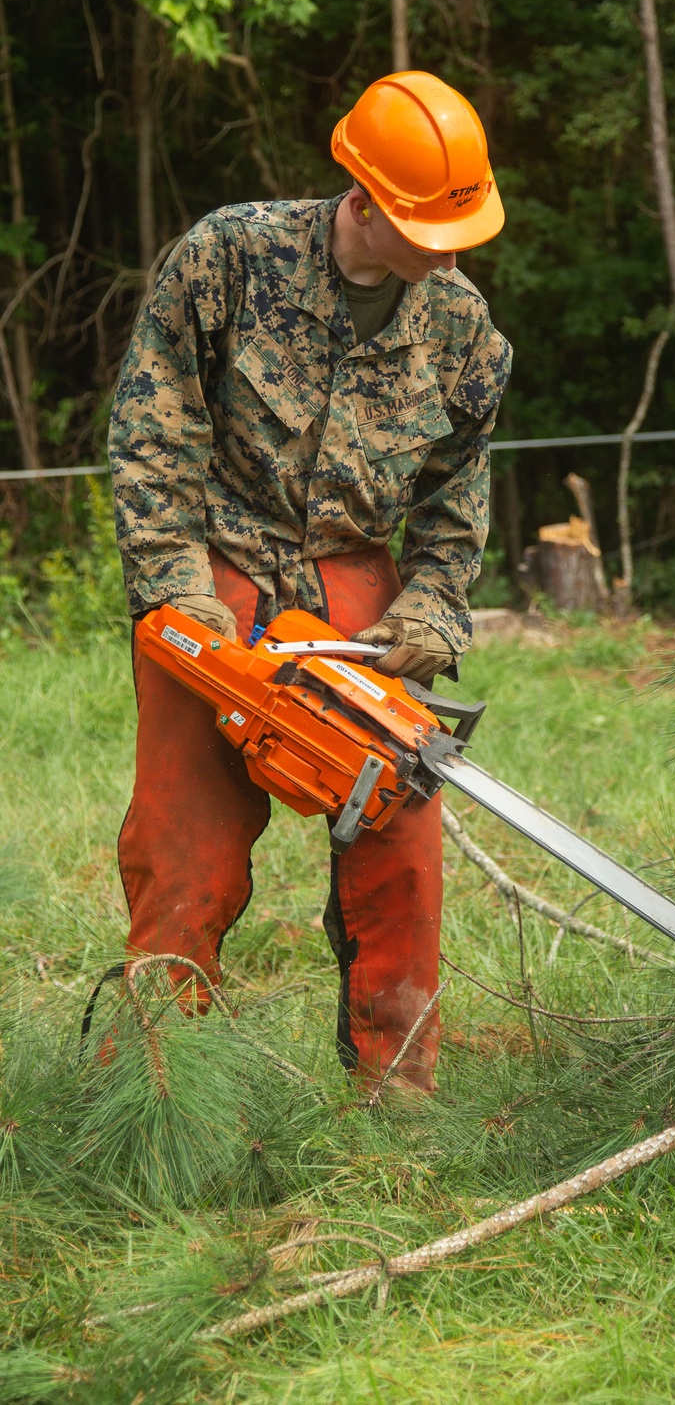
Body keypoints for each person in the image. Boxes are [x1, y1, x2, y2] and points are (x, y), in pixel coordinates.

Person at [108, 71, 511, 1092]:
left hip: (356, 575)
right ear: (366, 199)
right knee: (183, 839)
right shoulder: (228, 258)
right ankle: (158, 1083)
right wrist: (175, 589)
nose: (448, 251)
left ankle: (398, 1084)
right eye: (430, 227)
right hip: (220, 564)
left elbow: (457, 494)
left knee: (401, 827)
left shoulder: (462, 330)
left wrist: (428, 602)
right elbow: (154, 433)